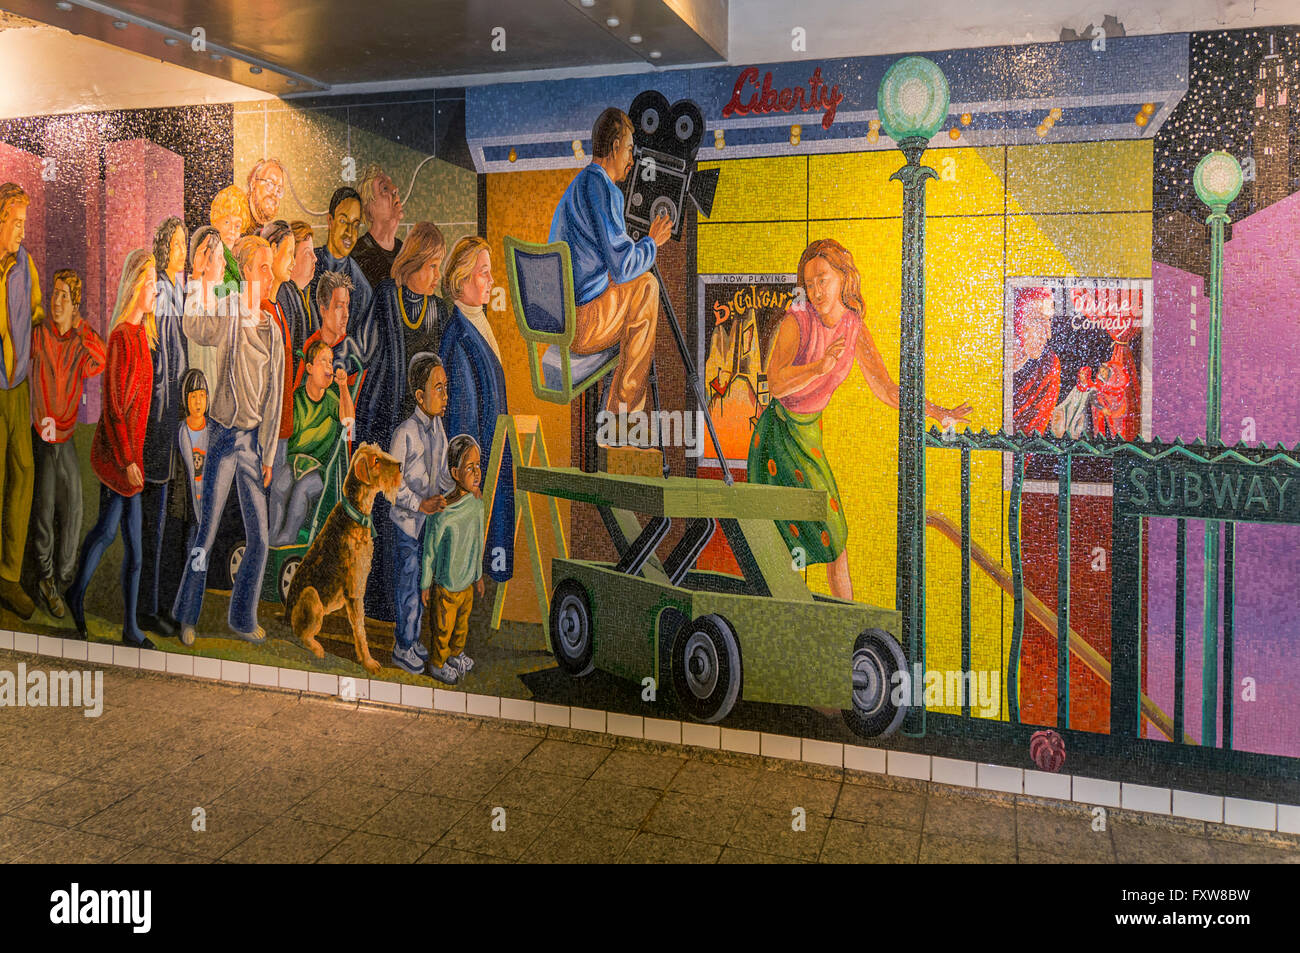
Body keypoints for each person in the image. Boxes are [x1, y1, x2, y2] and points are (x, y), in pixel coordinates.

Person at [747, 239, 971, 601]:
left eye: (823, 279)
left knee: (832, 534)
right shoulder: (797, 320)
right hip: (780, 436)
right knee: (813, 532)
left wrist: (937, 411)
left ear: (842, 278)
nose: (817, 290)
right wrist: (819, 368)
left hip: (809, 435)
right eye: (810, 283)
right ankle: (827, 615)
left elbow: (886, 388)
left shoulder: (852, 327)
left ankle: (847, 619)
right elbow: (775, 382)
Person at [173, 235, 285, 646]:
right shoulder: (230, 309)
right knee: (206, 529)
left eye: (272, 267)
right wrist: (198, 280)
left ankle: (242, 618)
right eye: (263, 268)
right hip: (222, 438)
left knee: (261, 537)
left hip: (254, 445)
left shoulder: (273, 332)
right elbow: (193, 326)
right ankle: (187, 616)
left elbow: (274, 398)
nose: (270, 275)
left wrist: (269, 453)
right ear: (245, 273)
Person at [548, 106, 672, 417]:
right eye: (630, 150)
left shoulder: (578, 186)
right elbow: (622, 266)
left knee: (635, 285)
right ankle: (623, 413)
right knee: (646, 286)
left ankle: (619, 409)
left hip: (565, 320)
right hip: (584, 324)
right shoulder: (603, 187)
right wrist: (652, 242)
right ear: (615, 146)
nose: (631, 161)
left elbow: (605, 265)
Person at [66, 250, 157, 647]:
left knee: (125, 542)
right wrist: (127, 460)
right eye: (151, 283)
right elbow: (115, 406)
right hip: (118, 460)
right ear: (135, 284)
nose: (156, 291)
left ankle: (129, 628)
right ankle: (78, 596)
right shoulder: (120, 335)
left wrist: (135, 457)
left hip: (131, 459)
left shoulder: (142, 334)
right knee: (108, 535)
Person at [356, 222, 447, 622]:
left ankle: (403, 606)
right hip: (379, 417)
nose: (435, 276)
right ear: (410, 262)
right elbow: (363, 348)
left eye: (439, 266)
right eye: (430, 265)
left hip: (414, 430)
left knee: (410, 515)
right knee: (378, 511)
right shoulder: (384, 296)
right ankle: (376, 602)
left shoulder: (438, 311)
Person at [30, 269, 106, 618]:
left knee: (74, 507)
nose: (56, 301)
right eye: (55, 294)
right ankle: (46, 579)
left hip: (66, 436)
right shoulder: (39, 335)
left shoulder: (79, 339)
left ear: (75, 304)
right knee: (45, 511)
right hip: (43, 436)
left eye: (64, 296)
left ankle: (63, 576)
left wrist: (80, 326)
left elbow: (100, 359)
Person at [439, 235, 512, 585]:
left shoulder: (478, 323)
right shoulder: (458, 336)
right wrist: (471, 483)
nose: (491, 280)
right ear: (463, 280)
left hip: (491, 465)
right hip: (477, 476)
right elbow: (462, 421)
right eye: (484, 273)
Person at [388, 351, 453, 674]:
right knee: (408, 584)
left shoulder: (438, 429)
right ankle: (403, 645)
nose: (445, 395)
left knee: (422, 582)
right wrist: (420, 503)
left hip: (426, 523)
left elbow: (440, 472)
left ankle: (412, 640)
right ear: (419, 395)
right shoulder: (405, 434)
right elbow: (391, 486)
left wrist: (450, 487)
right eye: (438, 388)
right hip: (405, 526)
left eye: (445, 387)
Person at [140, 216, 188, 638]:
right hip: (158, 423)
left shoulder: (179, 291)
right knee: (152, 523)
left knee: (169, 522)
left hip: (173, 420)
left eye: (184, 244)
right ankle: (146, 608)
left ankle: (159, 605)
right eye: (175, 244)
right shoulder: (158, 290)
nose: (181, 250)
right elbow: (158, 363)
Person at [0, 183, 41, 619]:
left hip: (19, 387)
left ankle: (9, 579)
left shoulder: (25, 263)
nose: (21, 231)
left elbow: (34, 312)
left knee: (23, 473)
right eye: (16, 223)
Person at [269, 339, 355, 547]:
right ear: (309, 368)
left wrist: (343, 388)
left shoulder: (332, 401)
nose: (329, 366)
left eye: (331, 362)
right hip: (292, 462)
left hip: (318, 471)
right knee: (281, 486)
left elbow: (348, 422)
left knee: (302, 490)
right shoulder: (296, 399)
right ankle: (271, 539)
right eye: (323, 361)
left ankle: (288, 540)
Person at [420, 434, 484, 685]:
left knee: (461, 627)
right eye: (470, 468)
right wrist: (426, 583)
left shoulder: (477, 503)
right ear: (456, 473)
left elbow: (478, 541)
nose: (477, 472)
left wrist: (478, 576)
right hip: (446, 585)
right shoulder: (442, 512)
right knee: (443, 629)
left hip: (466, 583)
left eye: (479, 465)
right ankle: (437, 664)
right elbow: (429, 551)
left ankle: (456, 656)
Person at [310, 186, 371, 333]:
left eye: (355, 225)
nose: (350, 233)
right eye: (344, 221)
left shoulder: (361, 288)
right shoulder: (308, 264)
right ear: (330, 221)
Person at [296, 270, 363, 394]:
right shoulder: (310, 346)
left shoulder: (353, 352)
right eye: (339, 306)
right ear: (323, 310)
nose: (346, 314)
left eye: (347, 305)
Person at [1011, 285, 1060, 435]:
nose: (1048, 333)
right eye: (1038, 320)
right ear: (1015, 321)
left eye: (1049, 320)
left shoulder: (1048, 366)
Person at [185, 225, 229, 388]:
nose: (224, 263)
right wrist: (196, 275)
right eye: (219, 258)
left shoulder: (220, 302)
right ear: (205, 262)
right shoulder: (195, 308)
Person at [176, 368, 209, 584]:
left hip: (205, 505)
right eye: (193, 396)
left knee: (201, 554)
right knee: (187, 547)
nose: (198, 402)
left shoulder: (212, 430)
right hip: (187, 507)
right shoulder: (181, 432)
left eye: (202, 396)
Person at [351, 164, 405, 292]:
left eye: (391, 185)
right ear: (369, 210)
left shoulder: (404, 250)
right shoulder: (359, 257)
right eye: (385, 188)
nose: (395, 189)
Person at [277, 221, 317, 357]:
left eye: (313, 252)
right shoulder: (282, 295)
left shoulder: (306, 296)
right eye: (307, 253)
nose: (315, 258)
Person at [243, 158, 286, 236]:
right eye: (269, 184)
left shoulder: (261, 229)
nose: (274, 194)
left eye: (279, 189)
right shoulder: (237, 225)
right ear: (253, 184)